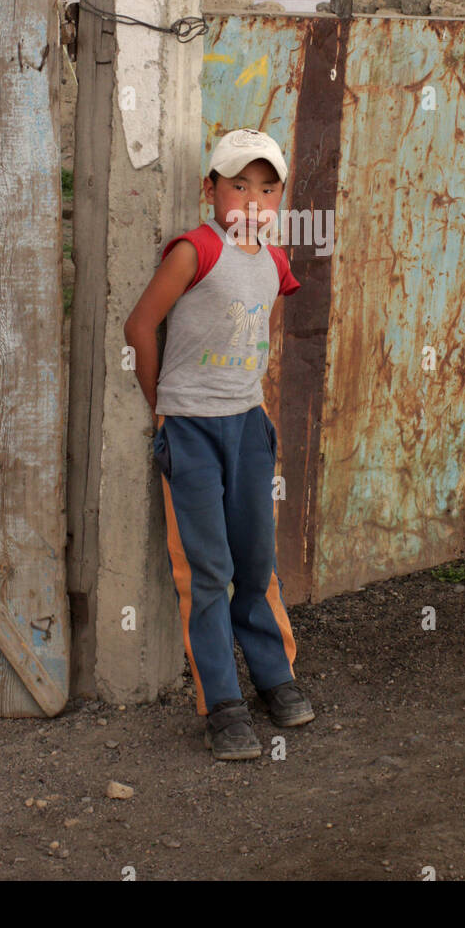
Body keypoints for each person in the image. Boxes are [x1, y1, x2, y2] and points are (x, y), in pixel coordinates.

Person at [123, 128, 314, 760]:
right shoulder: (194, 250)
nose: (253, 200)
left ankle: (274, 678)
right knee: (208, 571)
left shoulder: (275, 261)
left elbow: (257, 335)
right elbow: (140, 324)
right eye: (238, 185)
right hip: (192, 431)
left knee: (256, 562)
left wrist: (254, 402)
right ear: (211, 190)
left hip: (248, 426)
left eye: (267, 187)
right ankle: (223, 703)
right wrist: (164, 406)